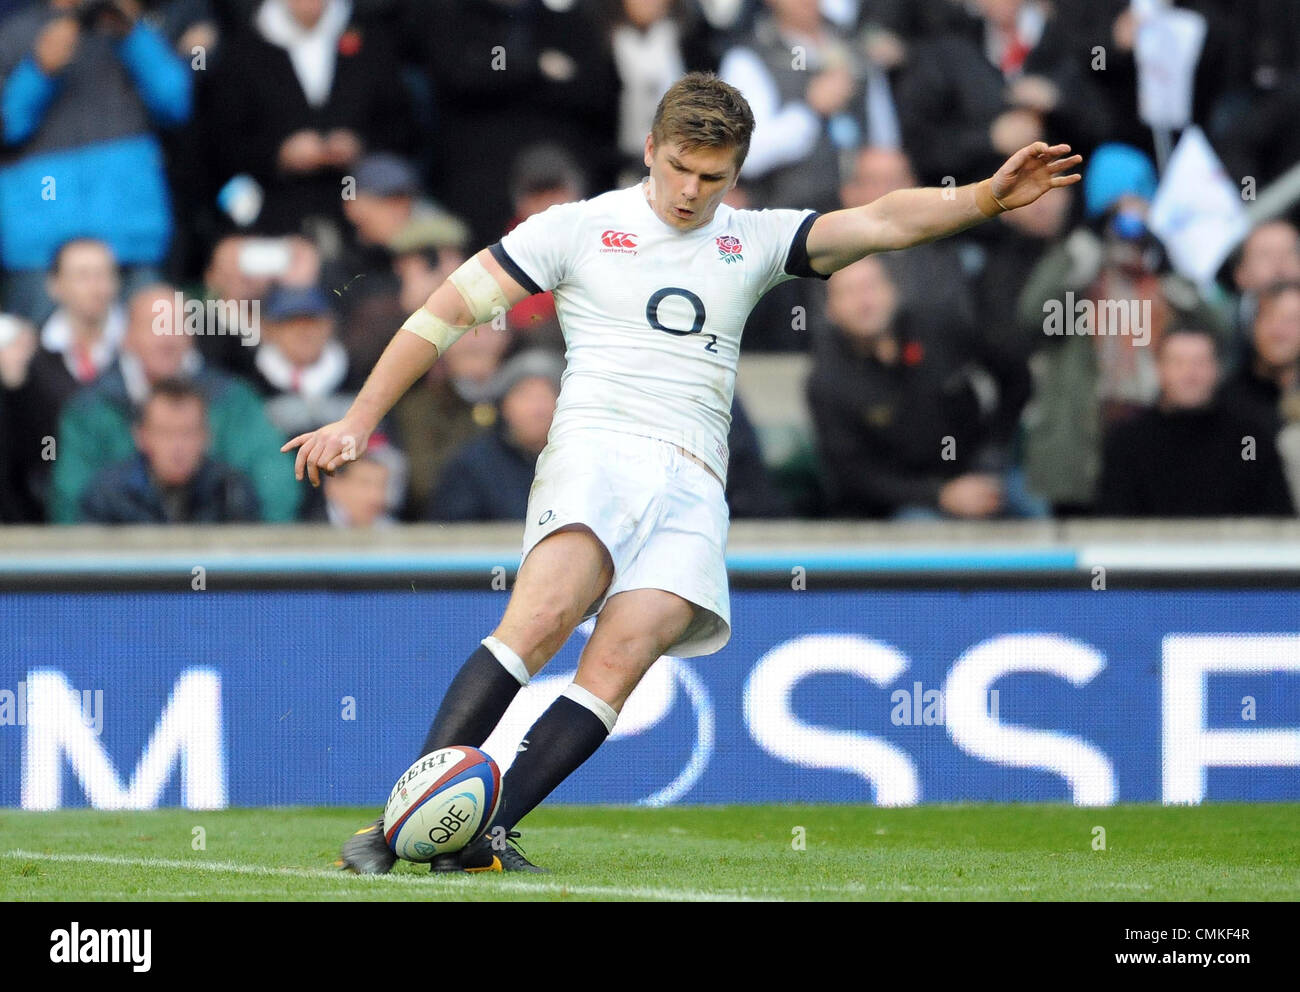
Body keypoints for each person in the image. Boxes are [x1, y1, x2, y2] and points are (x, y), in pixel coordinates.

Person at [283, 71, 1080, 874]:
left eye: (713, 176)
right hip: (599, 448)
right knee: (542, 618)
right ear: (649, 149)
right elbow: (445, 312)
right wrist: (358, 420)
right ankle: (391, 830)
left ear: (736, 172)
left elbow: (879, 220)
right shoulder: (577, 227)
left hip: (697, 477)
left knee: (622, 660)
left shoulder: (754, 238)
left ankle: (482, 835)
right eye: (679, 168)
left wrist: (982, 197)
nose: (692, 191)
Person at [1096, 328, 1293, 517]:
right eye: (1178, 363)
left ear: (1217, 369)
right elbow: (1114, 522)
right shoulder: (1128, 442)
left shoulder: (1249, 439)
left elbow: (1275, 518)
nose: (1190, 374)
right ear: (1159, 369)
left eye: (1200, 362)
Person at [80, 378, 261, 524]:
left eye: (187, 432)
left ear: (206, 436)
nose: (178, 446)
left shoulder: (231, 492)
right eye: (166, 433)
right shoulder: (108, 495)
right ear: (142, 437)